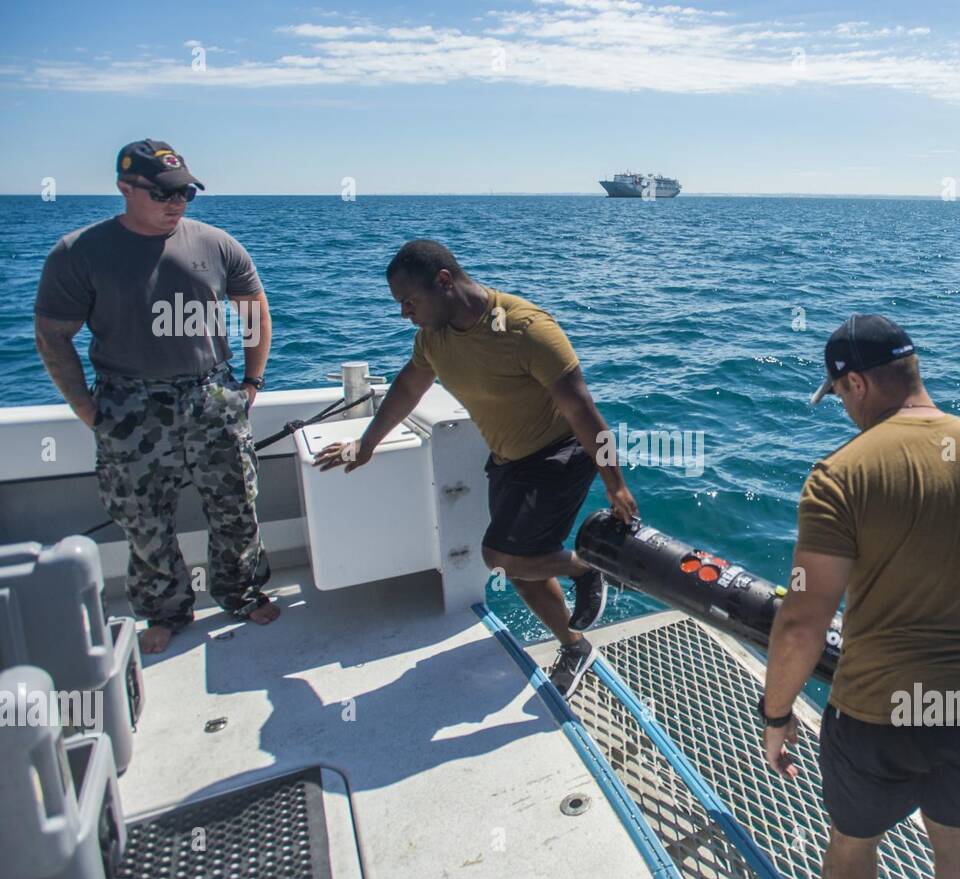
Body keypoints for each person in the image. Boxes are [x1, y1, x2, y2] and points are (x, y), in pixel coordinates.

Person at [760, 314, 960, 879]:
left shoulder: (840, 475)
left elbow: (802, 621)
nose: (843, 408)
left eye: (839, 394)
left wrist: (777, 714)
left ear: (857, 384)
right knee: (955, 835)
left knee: (852, 841)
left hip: (876, 717)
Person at [313, 240, 636, 699]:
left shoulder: (525, 328)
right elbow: (408, 388)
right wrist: (366, 444)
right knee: (524, 571)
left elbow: (582, 409)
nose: (404, 313)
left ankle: (586, 569)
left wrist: (615, 484)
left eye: (410, 301)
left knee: (499, 557)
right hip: (508, 462)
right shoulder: (433, 339)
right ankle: (575, 645)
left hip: (560, 456)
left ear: (444, 282)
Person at [34, 139, 280, 654]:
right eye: (164, 193)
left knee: (237, 505)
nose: (177, 203)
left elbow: (255, 310)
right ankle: (165, 610)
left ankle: (240, 591)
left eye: (186, 192)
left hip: (211, 394)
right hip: (129, 405)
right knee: (144, 520)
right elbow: (53, 335)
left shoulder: (217, 244)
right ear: (126, 188)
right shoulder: (79, 253)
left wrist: (251, 385)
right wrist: (87, 408)